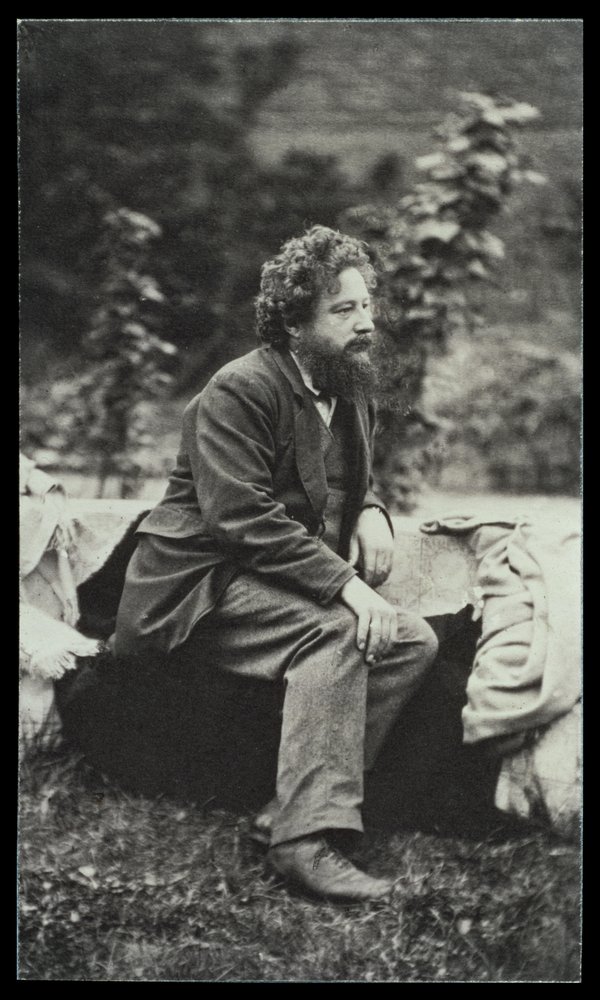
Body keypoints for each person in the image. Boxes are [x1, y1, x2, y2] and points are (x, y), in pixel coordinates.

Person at [114, 225, 438, 903]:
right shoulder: (238, 390)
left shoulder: (347, 390)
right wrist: (348, 587)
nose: (365, 325)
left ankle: (286, 813)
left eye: (366, 307)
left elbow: (343, 479)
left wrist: (373, 509)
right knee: (341, 630)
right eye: (343, 310)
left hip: (262, 581)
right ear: (293, 323)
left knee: (411, 640)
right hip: (196, 588)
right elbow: (240, 518)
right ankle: (302, 844)